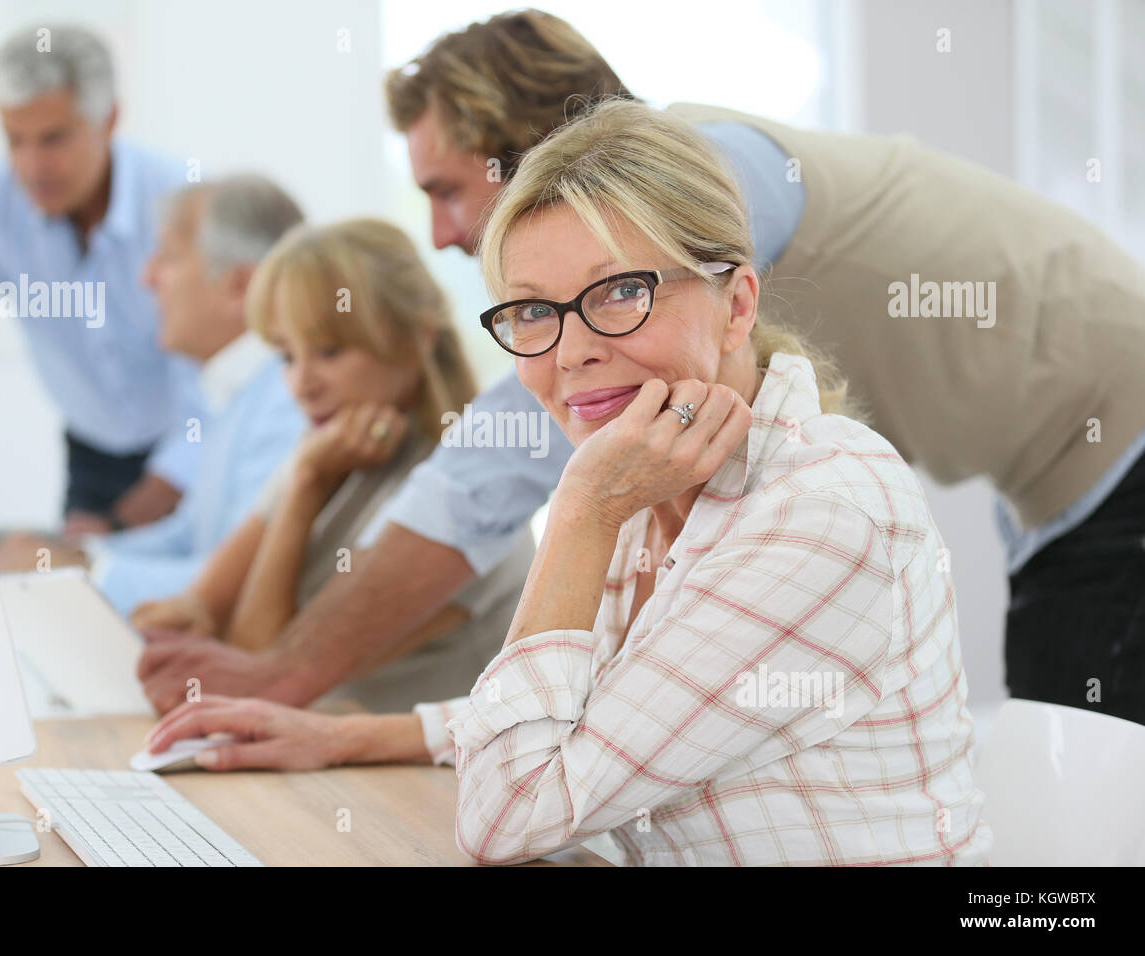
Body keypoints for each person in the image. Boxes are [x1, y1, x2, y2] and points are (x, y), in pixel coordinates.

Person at [139, 8, 1145, 726]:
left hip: (1119, 437)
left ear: (524, 145)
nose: (442, 232)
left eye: (447, 189)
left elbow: (491, 469)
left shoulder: (698, 178)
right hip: (1055, 470)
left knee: (1080, 752)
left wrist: (286, 673)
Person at [144, 100, 992, 867]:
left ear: (737, 305)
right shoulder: (656, 473)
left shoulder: (818, 511)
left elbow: (510, 815)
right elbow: (599, 713)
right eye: (533, 312)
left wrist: (582, 509)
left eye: (622, 291)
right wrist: (342, 736)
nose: (570, 350)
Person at [134, 219, 535, 711]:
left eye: (328, 351)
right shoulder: (324, 453)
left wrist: (304, 489)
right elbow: (202, 607)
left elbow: (259, 668)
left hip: (416, 783)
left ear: (416, 338)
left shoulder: (472, 497)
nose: (303, 384)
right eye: (286, 355)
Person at [0, 24, 204, 536]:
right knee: (72, 598)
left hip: (193, 447)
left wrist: (122, 523)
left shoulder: (176, 202)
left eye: (54, 138)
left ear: (109, 119)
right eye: (15, 139)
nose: (32, 166)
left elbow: (210, 393)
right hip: (91, 450)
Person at [0, 175, 307, 617]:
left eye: (170, 257)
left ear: (240, 286)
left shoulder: (290, 398)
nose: (147, 278)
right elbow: (188, 537)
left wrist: (82, 571)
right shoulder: (238, 393)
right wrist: (80, 550)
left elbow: (243, 579)